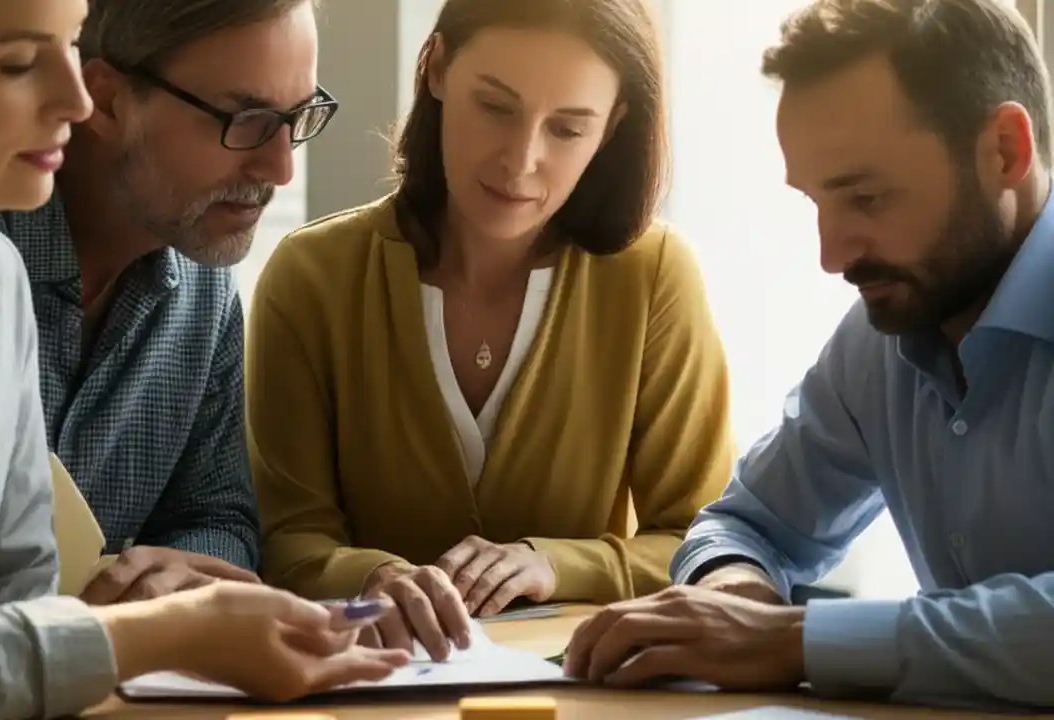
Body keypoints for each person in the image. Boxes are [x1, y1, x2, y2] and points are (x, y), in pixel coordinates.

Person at [0, 0, 405, 717]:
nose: (73, 99)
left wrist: (160, 618)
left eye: (69, 46)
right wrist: (167, 630)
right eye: (18, 63)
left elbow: (20, 603)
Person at [563, 0, 1054, 710]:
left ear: (1005, 149)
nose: (832, 257)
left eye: (868, 197)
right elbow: (746, 523)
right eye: (815, 202)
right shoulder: (886, 334)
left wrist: (790, 642)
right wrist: (736, 600)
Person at [249, 0, 735, 662]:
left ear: (612, 126)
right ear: (440, 69)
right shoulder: (312, 278)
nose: (520, 160)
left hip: (585, 692)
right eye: (496, 108)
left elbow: (705, 541)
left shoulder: (655, 278)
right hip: (367, 685)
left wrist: (554, 565)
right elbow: (286, 537)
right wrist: (374, 578)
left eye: (567, 129)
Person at [0, 0, 338, 604]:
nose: (280, 169)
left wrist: (181, 571)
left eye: (298, 117)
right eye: (245, 118)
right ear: (108, 101)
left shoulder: (204, 286)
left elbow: (220, 517)